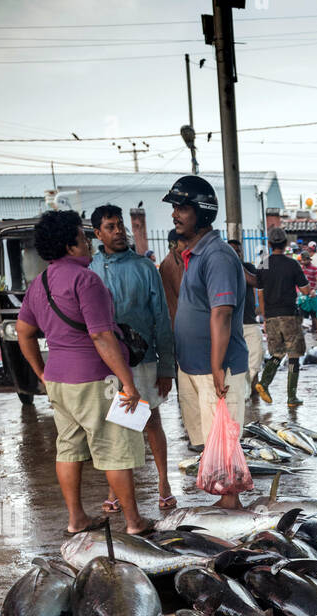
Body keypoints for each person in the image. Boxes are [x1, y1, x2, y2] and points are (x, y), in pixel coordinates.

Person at [15, 209, 151, 535]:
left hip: (60, 380)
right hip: (95, 379)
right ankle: (134, 523)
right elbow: (101, 336)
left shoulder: (40, 283)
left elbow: (23, 331)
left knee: (69, 449)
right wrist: (129, 384)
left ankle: (76, 519)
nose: (87, 241)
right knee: (115, 448)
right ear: (70, 243)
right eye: (82, 235)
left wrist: (42, 373)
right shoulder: (86, 280)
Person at [162, 175, 249, 507]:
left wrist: (216, 365)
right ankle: (224, 499)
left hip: (218, 365)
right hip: (194, 365)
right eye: (175, 208)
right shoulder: (194, 254)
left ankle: (231, 503)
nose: (175, 215)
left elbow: (222, 313)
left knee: (224, 437)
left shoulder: (217, 255)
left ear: (201, 211)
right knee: (209, 436)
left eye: (182, 208)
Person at [90, 204, 177, 513]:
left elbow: (162, 319)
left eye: (120, 226)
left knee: (151, 420)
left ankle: (164, 482)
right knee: (116, 425)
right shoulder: (91, 270)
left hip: (144, 359)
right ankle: (115, 487)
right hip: (105, 363)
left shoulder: (143, 268)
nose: (118, 232)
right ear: (98, 233)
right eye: (111, 227)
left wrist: (166, 366)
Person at [253, 226, 308, 407]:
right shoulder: (292, 264)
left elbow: (260, 293)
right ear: (285, 244)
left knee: (277, 353)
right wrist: (311, 290)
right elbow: (305, 289)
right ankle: (292, 397)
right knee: (293, 355)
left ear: (269, 244)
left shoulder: (263, 263)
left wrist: (265, 316)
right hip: (289, 317)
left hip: (271, 317)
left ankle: (264, 383)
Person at [228, 238, 264, 399]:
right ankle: (245, 392)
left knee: (256, 356)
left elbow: (256, 282)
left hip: (249, 321)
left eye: (238, 250)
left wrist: (237, 264)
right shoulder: (221, 269)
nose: (235, 253)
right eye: (231, 250)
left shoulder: (247, 267)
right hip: (230, 323)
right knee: (235, 360)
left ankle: (250, 388)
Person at [159, 228, 185, 327]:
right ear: (173, 244)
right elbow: (184, 293)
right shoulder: (175, 263)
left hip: (175, 317)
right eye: (183, 241)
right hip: (179, 319)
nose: (187, 243)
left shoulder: (171, 261)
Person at [298, 248, 317, 334]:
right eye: (302, 260)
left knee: (314, 314)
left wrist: (314, 289)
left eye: (305, 260)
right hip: (303, 294)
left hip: (313, 294)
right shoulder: (300, 269)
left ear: (309, 259)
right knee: (300, 313)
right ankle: (299, 332)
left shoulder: (314, 269)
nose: (303, 262)